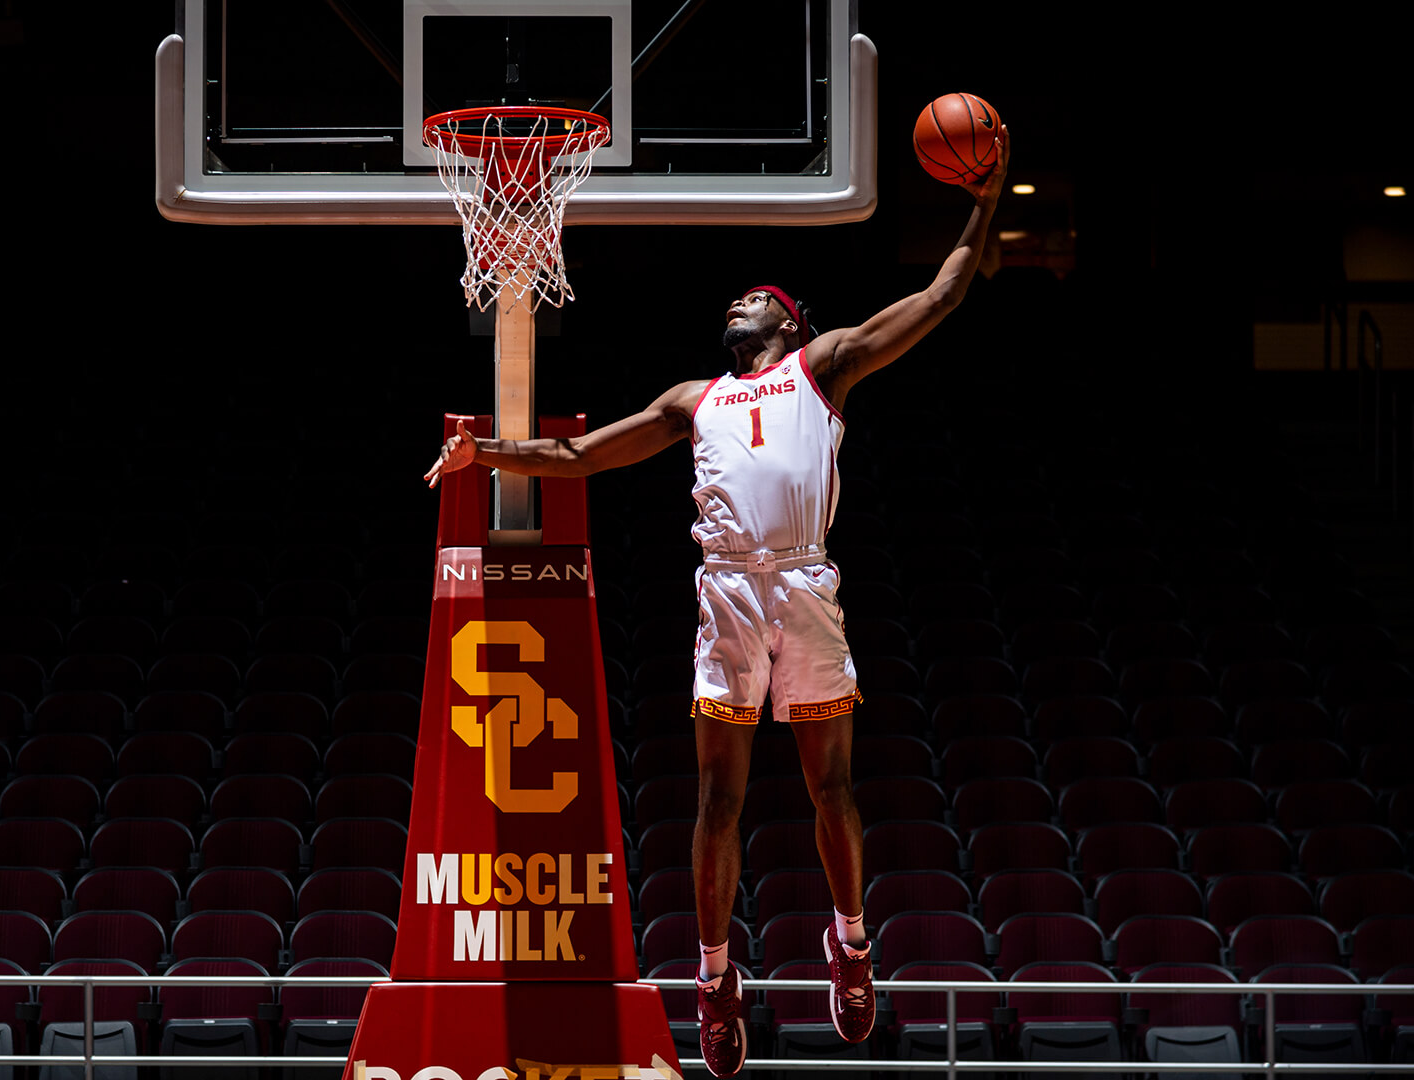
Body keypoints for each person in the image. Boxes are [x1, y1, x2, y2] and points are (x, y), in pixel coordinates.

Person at [425, 128, 1009, 1077]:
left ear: (789, 322)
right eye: (734, 301)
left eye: (755, 298)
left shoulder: (824, 366)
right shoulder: (692, 398)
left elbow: (941, 296)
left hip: (805, 582)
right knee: (717, 798)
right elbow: (582, 456)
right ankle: (713, 976)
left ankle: (851, 946)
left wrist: (984, 201)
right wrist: (486, 451)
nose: (737, 304)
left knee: (831, 787)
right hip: (728, 589)